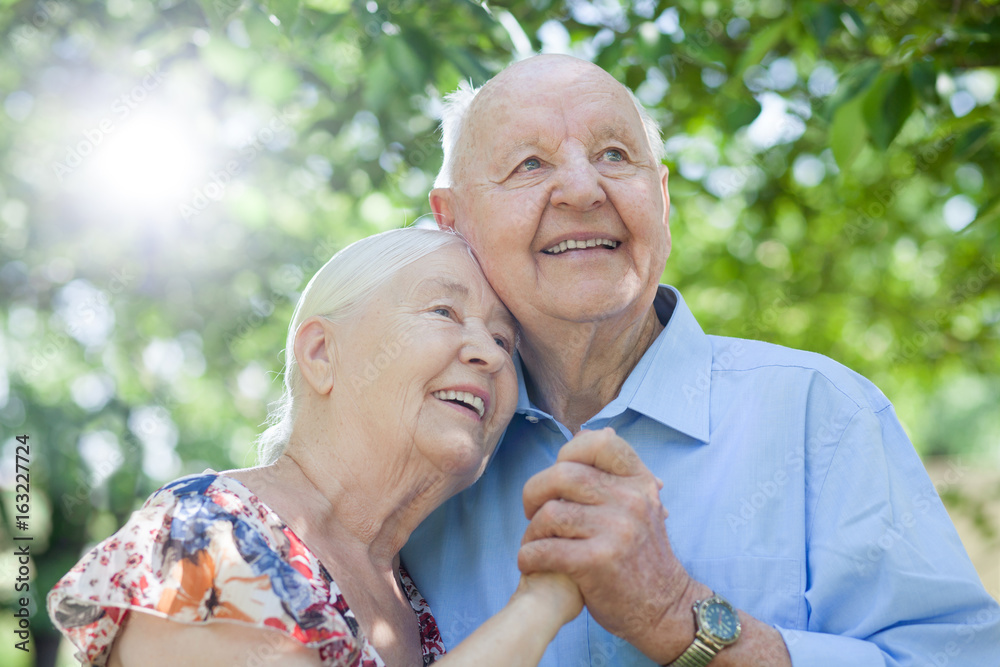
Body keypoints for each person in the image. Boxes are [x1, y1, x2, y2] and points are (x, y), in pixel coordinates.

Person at [401, 54, 1000, 665]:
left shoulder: (825, 415)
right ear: (452, 218)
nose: (583, 190)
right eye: (530, 164)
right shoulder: (406, 443)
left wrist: (675, 614)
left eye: (614, 155)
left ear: (660, 199)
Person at [47, 228, 583, 666]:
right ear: (322, 353)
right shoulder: (204, 529)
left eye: (503, 341)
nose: (488, 355)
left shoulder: (417, 606)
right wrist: (543, 601)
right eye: (443, 311)